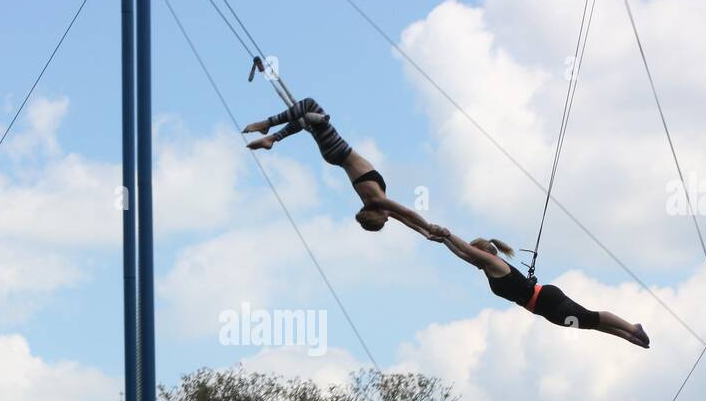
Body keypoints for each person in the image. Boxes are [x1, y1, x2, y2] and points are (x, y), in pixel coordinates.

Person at [243, 97, 439, 237]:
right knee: (307, 119)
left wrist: (429, 226)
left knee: (308, 105)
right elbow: (406, 220)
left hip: (338, 151)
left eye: (384, 220)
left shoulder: (378, 201)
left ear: (378, 213)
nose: (389, 219)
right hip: (335, 154)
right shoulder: (377, 202)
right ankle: (272, 138)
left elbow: (408, 213)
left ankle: (266, 125)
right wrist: (425, 233)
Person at [429, 226, 650, 347]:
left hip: (548, 300)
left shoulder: (493, 263)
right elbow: (462, 254)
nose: (470, 258)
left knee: (591, 317)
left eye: (473, 253)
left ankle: (632, 328)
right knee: (589, 324)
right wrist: (443, 241)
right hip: (543, 308)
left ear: (481, 253)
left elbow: (466, 251)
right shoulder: (487, 268)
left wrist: (448, 234)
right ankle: (628, 336)